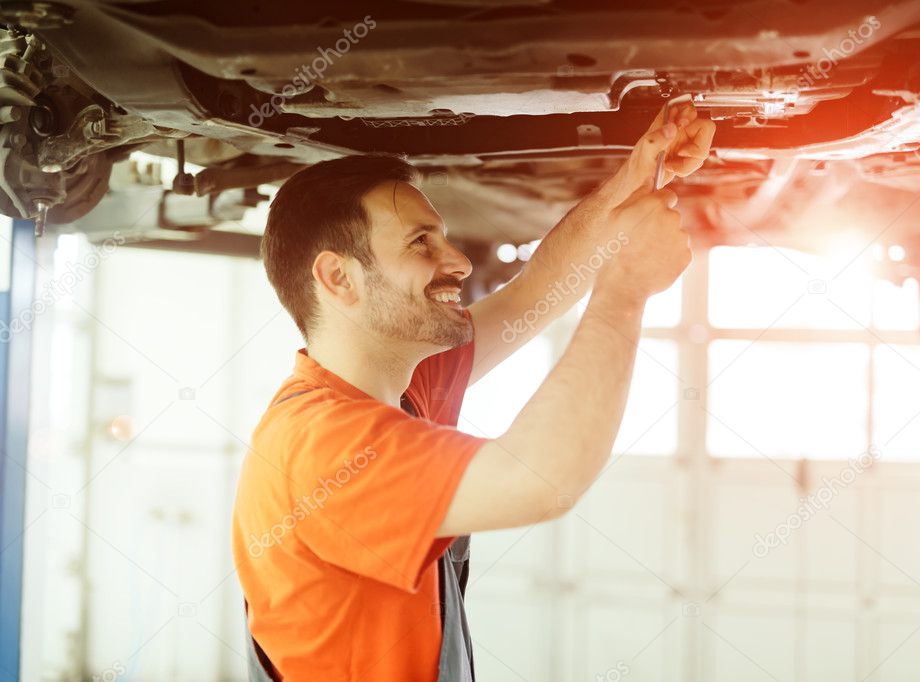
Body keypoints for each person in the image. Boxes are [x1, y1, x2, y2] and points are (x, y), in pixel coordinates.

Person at [232, 103, 715, 681]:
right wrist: (626, 289)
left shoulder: (401, 387)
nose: (458, 261)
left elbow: (538, 291)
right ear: (339, 279)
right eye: (421, 244)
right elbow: (540, 480)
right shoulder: (323, 448)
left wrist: (637, 177)